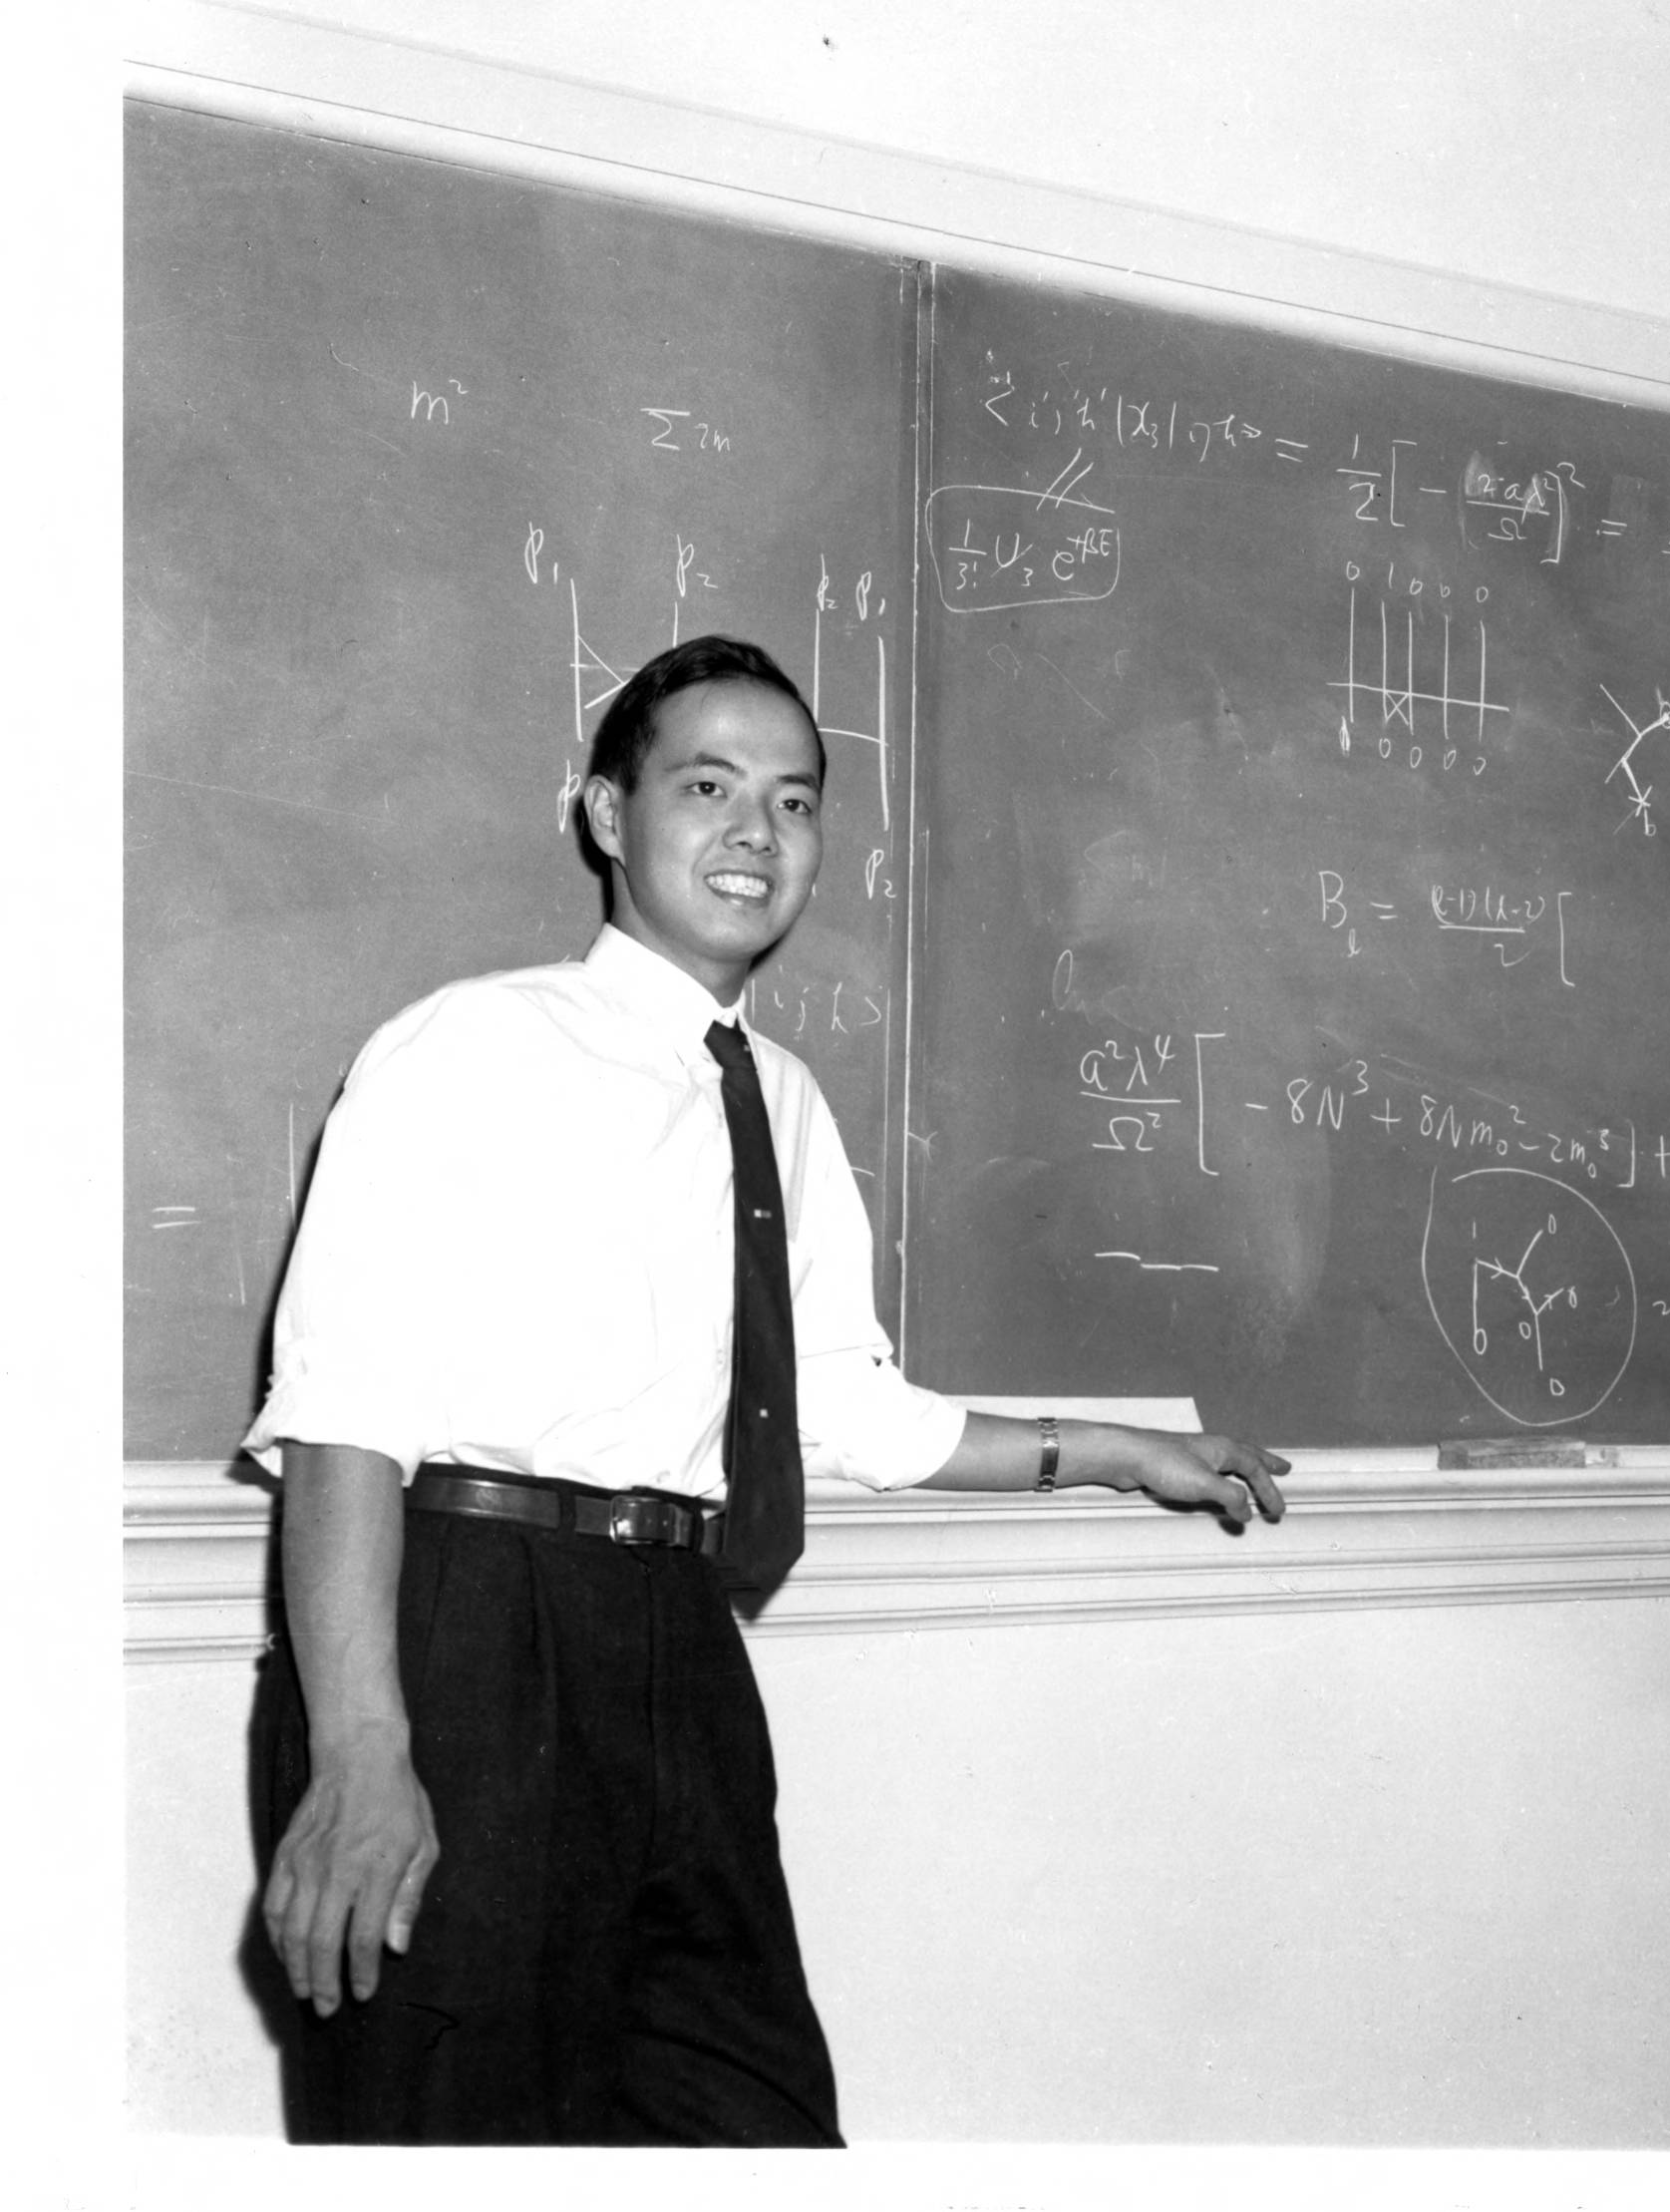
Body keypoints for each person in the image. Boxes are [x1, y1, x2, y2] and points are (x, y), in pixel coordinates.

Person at [243, 634, 1289, 2145]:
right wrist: (359, 1758)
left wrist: (1130, 1449)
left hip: (676, 1642)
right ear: (607, 813)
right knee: (452, 2136)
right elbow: (346, 1414)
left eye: (794, 802)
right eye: (709, 785)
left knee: (752, 2120)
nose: (756, 832)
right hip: (466, 1633)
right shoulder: (471, 1044)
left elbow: (852, 1411)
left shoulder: (777, 1095)